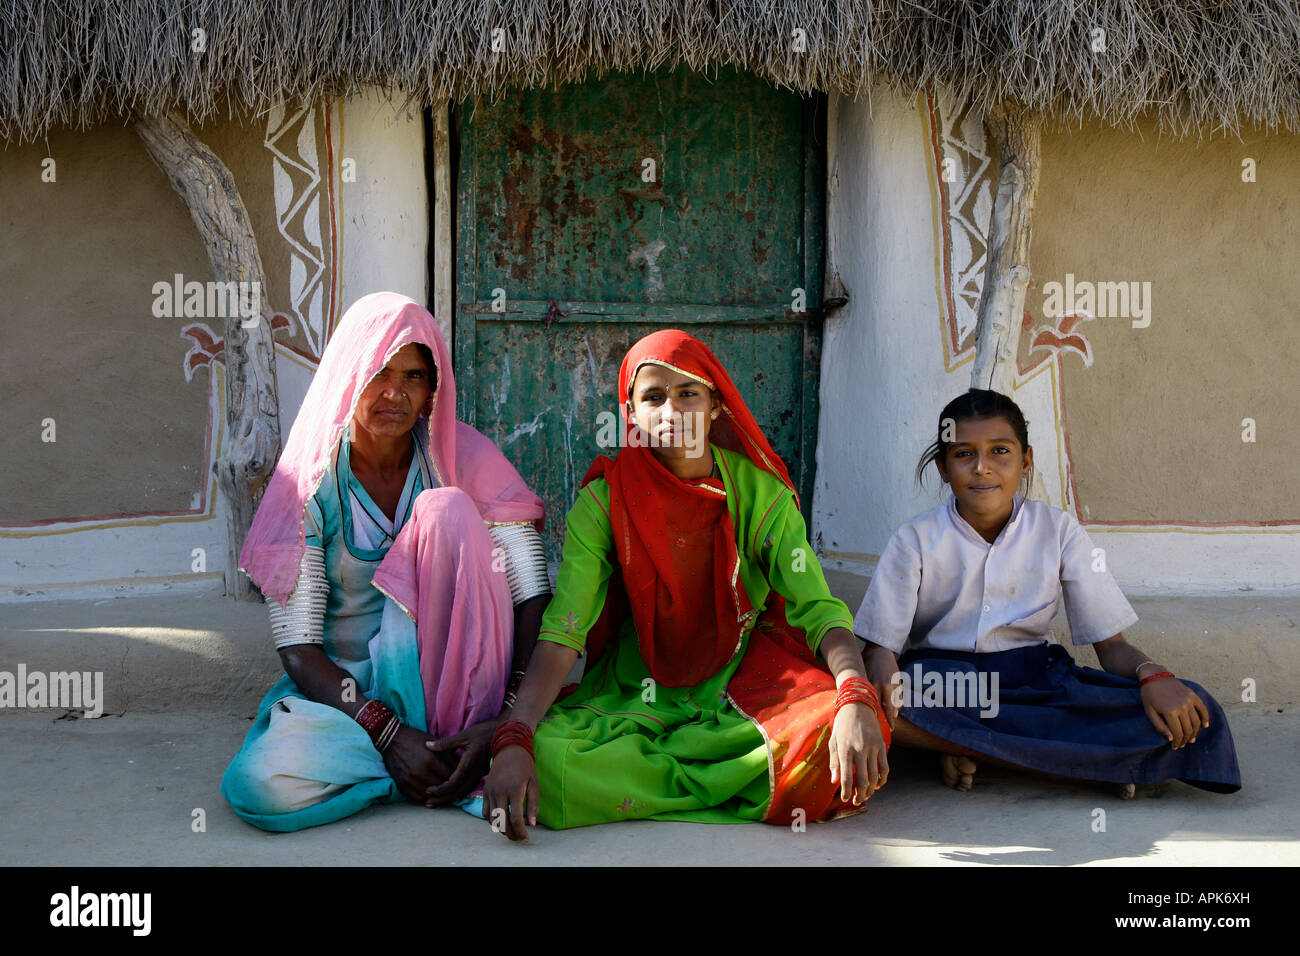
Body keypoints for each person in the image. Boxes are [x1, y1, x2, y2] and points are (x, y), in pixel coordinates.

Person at [480, 329, 890, 841]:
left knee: (831, 730)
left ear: (716, 405)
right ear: (630, 415)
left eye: (687, 393)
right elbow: (564, 631)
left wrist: (854, 693)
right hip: (640, 684)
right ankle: (726, 784)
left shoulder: (761, 495)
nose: (671, 410)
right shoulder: (604, 502)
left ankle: (653, 784)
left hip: (748, 676)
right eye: (652, 397)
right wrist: (516, 737)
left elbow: (818, 608)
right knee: (550, 760)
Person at [222, 292, 549, 831]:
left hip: (465, 692)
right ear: (350, 373)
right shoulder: (312, 483)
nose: (395, 393)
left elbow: (533, 594)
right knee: (260, 785)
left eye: (414, 377)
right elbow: (298, 648)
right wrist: (388, 732)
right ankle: (432, 764)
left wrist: (507, 717)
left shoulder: (459, 455)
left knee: (444, 510)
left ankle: (459, 746)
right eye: (378, 372)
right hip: (356, 699)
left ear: (432, 390)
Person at [854, 388, 1241, 796]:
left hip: (1035, 687)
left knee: (1195, 706)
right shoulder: (914, 538)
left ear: (1026, 461)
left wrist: (1155, 676)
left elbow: (1112, 648)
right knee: (855, 700)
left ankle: (966, 746)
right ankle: (1065, 766)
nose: (982, 468)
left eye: (1000, 451)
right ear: (943, 468)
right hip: (943, 686)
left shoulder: (1059, 530)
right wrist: (880, 674)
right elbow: (880, 652)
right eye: (964, 453)